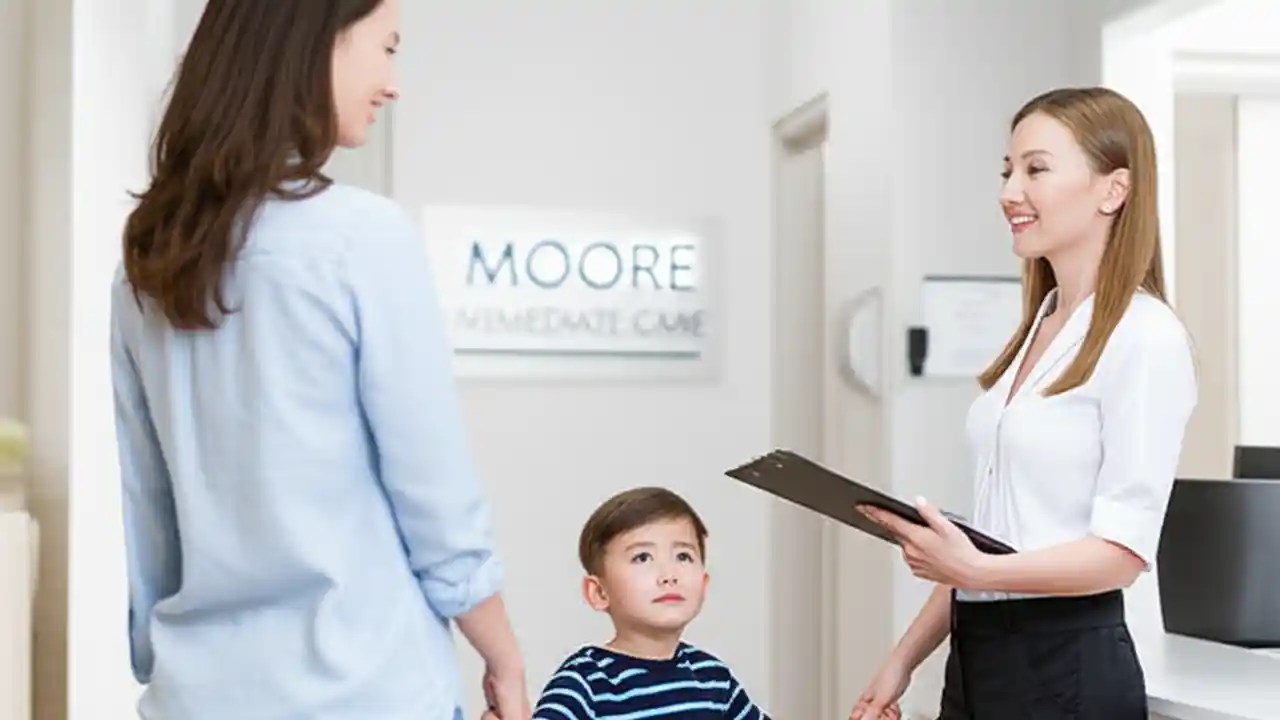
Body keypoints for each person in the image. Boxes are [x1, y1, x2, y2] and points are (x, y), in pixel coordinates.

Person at [111, 1, 530, 718]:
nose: (393, 82)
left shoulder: (148, 260)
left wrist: (160, 655)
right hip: (366, 690)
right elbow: (434, 494)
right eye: (387, 48)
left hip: (198, 697)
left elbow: (149, 503)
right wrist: (502, 653)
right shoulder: (361, 240)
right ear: (317, 45)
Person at [850, 86, 1197, 720]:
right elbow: (994, 542)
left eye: (1036, 168)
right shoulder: (1037, 328)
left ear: (1113, 190)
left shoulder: (1146, 337)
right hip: (980, 655)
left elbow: (1120, 554)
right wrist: (903, 658)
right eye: (1008, 171)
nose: (1011, 190)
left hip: (1067, 660)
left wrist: (971, 571)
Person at [530, 487, 771, 719]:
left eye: (683, 556)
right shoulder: (585, 682)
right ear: (599, 592)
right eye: (642, 557)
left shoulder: (712, 677)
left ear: (704, 583)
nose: (669, 574)